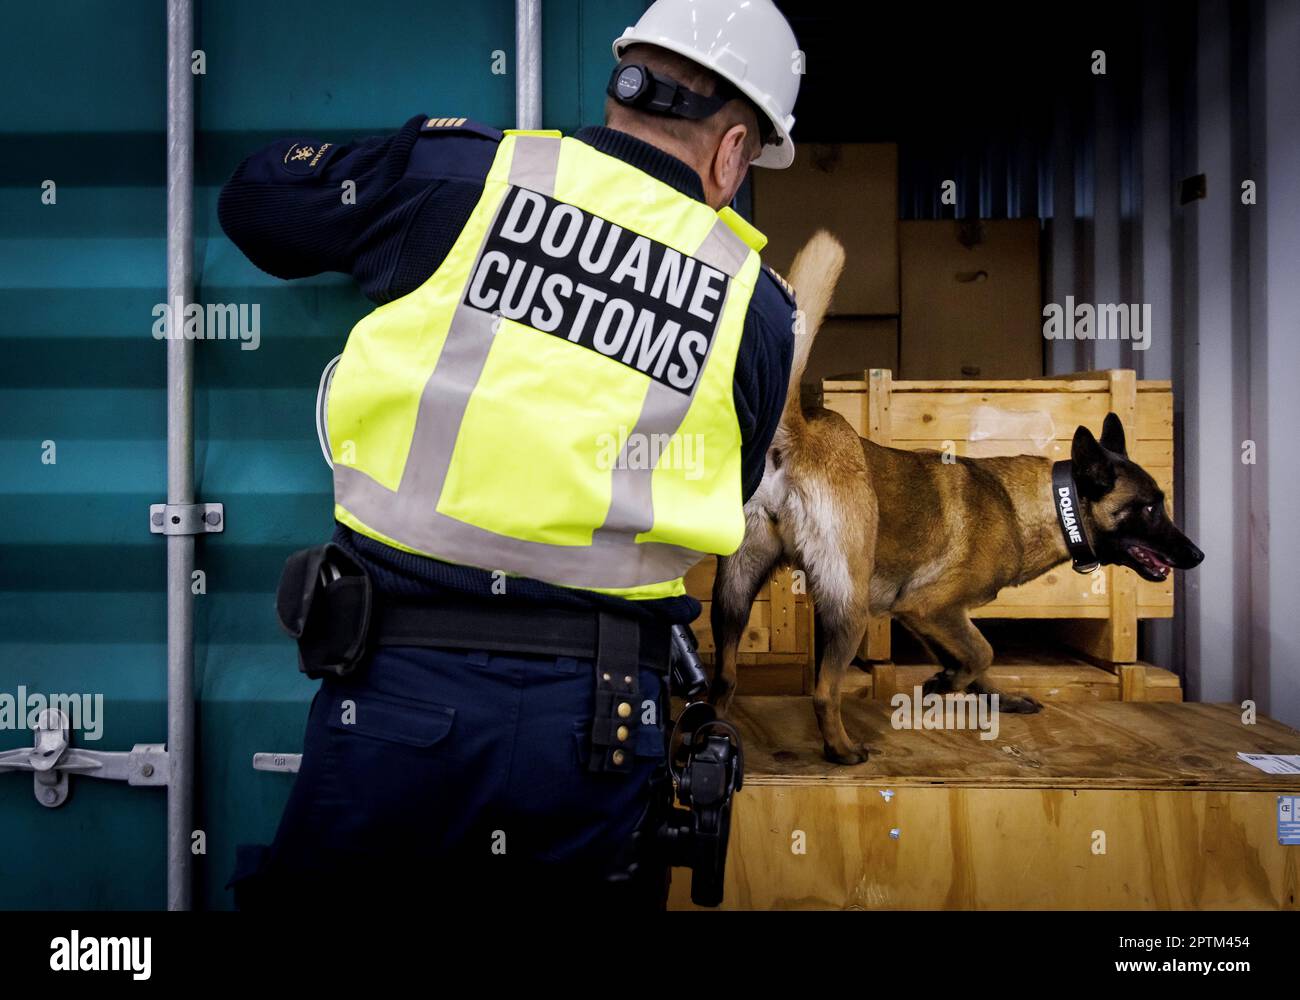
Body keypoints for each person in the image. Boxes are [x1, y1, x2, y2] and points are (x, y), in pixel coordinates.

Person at [221, 0, 802, 912]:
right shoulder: (757, 308)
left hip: (392, 691)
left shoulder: (465, 176)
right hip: (600, 726)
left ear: (622, 82)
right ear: (733, 151)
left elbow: (255, 203)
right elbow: (723, 492)